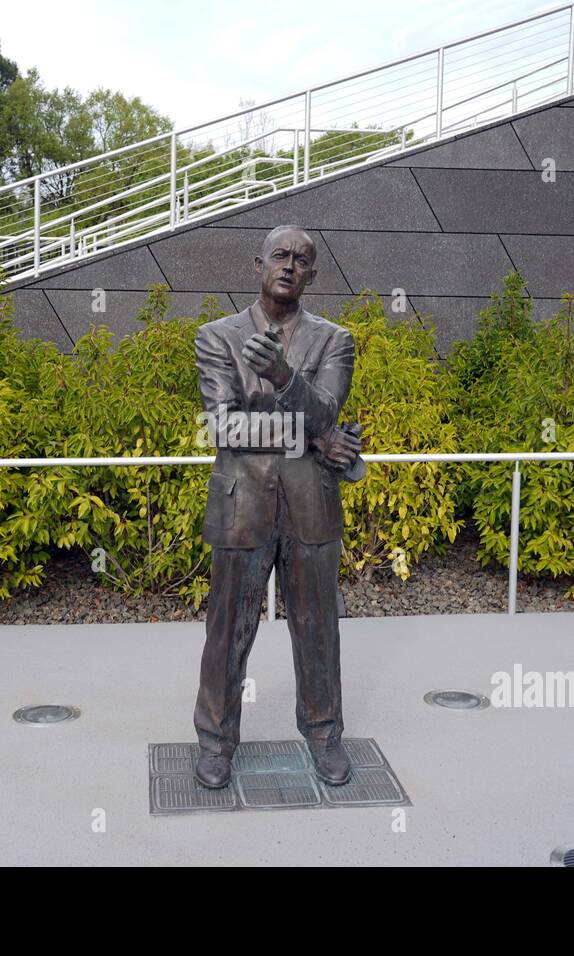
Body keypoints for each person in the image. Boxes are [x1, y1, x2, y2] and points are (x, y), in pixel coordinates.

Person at [191, 224, 363, 789]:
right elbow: (222, 425)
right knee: (228, 630)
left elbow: (328, 408)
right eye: (280, 256)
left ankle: (324, 736)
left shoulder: (335, 340)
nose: (289, 266)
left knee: (318, 629)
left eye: (302, 259)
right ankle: (215, 741)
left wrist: (284, 377)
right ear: (259, 264)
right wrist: (315, 439)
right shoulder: (217, 336)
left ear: (312, 274)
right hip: (242, 505)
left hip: (311, 506)